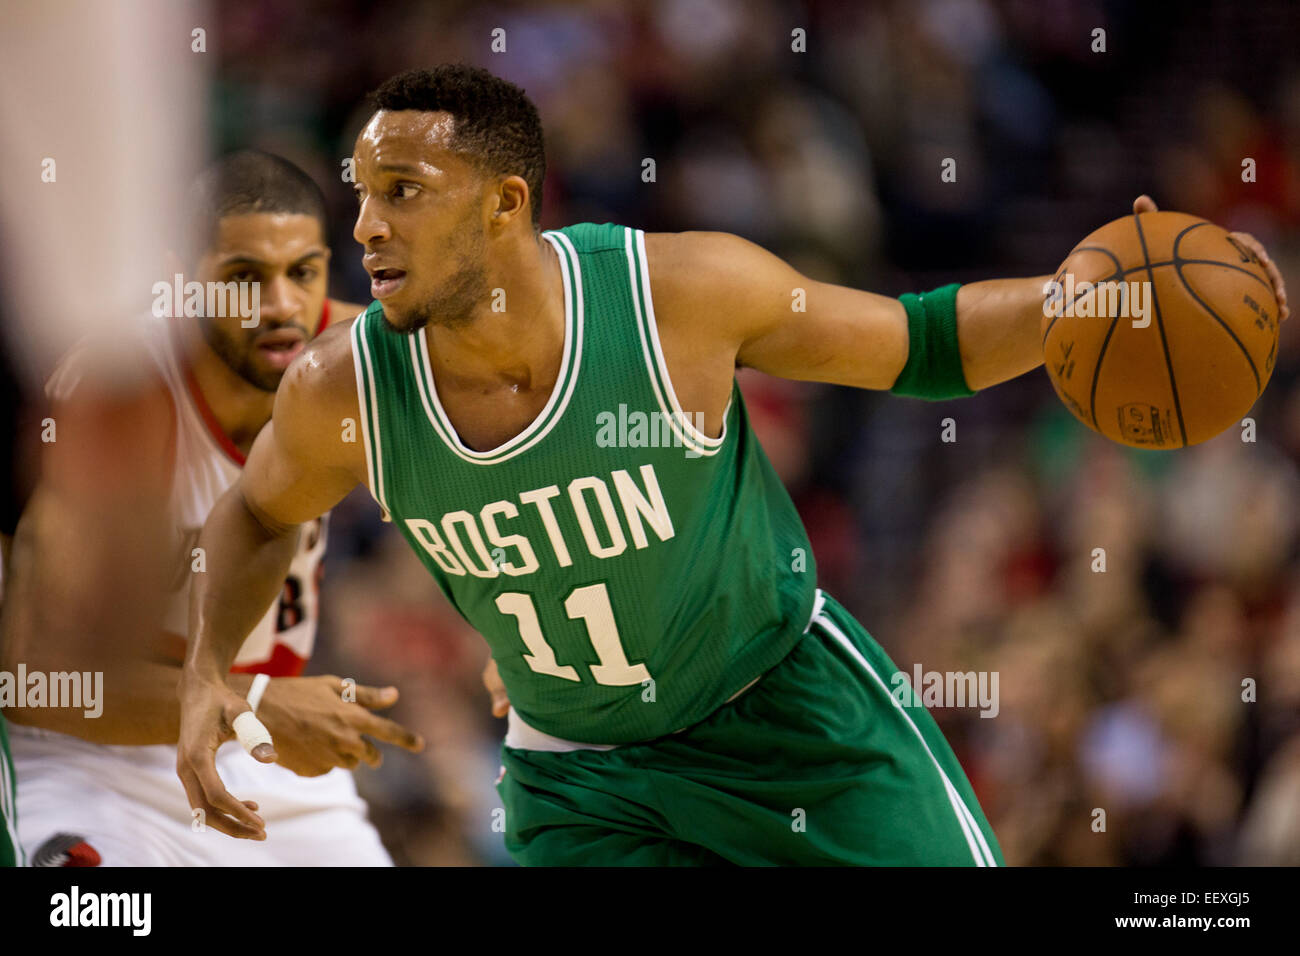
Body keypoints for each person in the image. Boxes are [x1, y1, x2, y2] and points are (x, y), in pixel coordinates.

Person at [177, 65, 1289, 865]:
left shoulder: (677, 297)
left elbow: (919, 344)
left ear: (506, 203)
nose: (365, 227)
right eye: (362, 193)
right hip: (583, 777)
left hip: (788, 711)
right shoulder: (343, 391)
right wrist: (207, 676)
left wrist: (1071, 300)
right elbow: (255, 514)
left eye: (403, 192)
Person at [1, 150, 424, 866]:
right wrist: (252, 703)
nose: (281, 305)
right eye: (244, 279)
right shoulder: (118, 392)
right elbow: (32, 681)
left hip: (263, 750)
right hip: (95, 758)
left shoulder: (358, 356)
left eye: (303, 272)